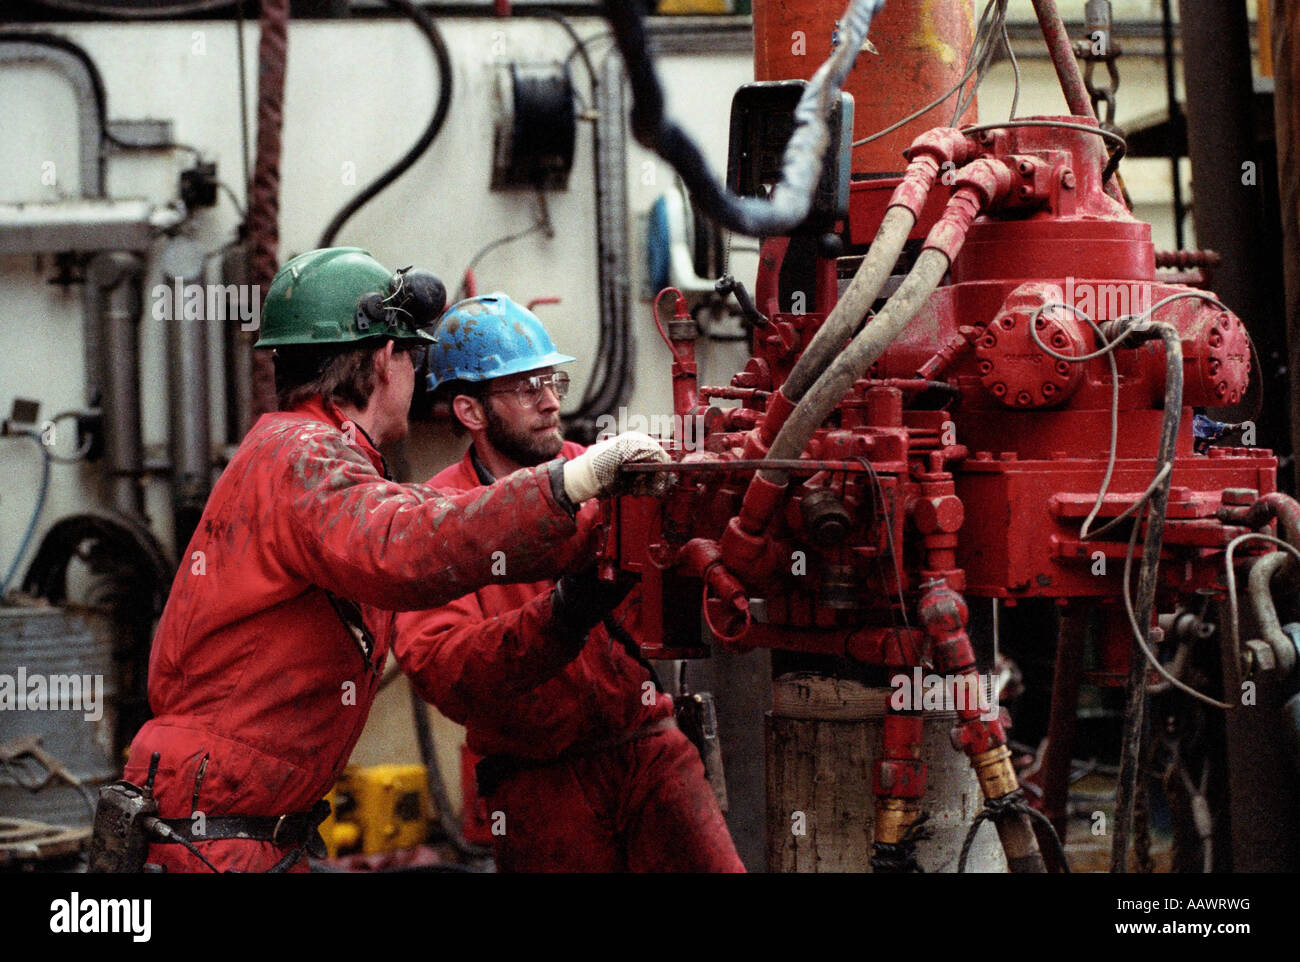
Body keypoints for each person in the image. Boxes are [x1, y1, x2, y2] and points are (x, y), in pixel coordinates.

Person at [119, 250, 669, 872]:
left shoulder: (296, 452)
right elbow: (406, 547)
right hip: (220, 831)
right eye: (412, 354)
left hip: (241, 823)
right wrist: (573, 482)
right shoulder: (302, 455)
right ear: (385, 358)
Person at [394, 293, 744, 873]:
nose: (552, 401)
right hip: (539, 783)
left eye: (552, 379)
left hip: (650, 749)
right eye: (527, 388)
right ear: (471, 412)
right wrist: (562, 614)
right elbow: (446, 668)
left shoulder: (608, 474)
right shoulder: (438, 521)